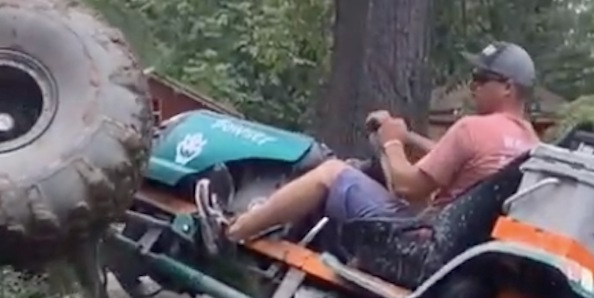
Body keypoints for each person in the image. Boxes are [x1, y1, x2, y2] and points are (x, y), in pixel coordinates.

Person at [225, 42, 541, 243]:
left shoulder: (471, 128)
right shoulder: (532, 145)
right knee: (359, 174)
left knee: (333, 172)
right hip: (462, 250)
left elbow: (406, 186)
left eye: (480, 78)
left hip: (421, 244)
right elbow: (464, 164)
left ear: (507, 87)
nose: (472, 86)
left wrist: (391, 143)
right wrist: (407, 137)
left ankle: (236, 229)